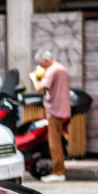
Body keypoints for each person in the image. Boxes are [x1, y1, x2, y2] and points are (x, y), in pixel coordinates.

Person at [30, 49, 70, 182]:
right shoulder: (61, 68)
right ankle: (59, 171)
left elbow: (39, 88)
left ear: (46, 60)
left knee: (54, 143)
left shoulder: (52, 70)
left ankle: (58, 172)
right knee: (56, 141)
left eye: (40, 63)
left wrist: (34, 78)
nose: (40, 66)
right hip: (62, 110)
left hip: (54, 111)